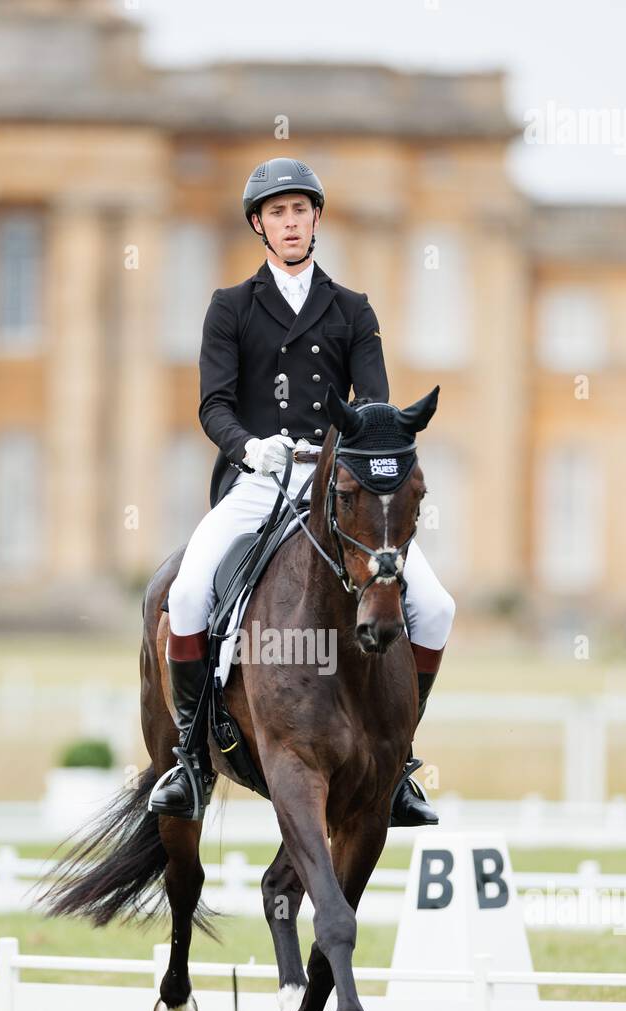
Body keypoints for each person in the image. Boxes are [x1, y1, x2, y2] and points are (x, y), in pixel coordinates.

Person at [149, 156, 455, 821]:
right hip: (259, 480)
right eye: (276, 213)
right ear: (259, 225)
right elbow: (213, 405)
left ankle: (398, 759)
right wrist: (249, 447)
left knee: (436, 606)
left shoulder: (352, 309)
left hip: (336, 485)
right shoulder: (230, 307)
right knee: (190, 592)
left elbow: (374, 404)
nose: (290, 223)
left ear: (316, 219)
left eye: (299, 210)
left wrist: (354, 452)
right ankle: (191, 759)